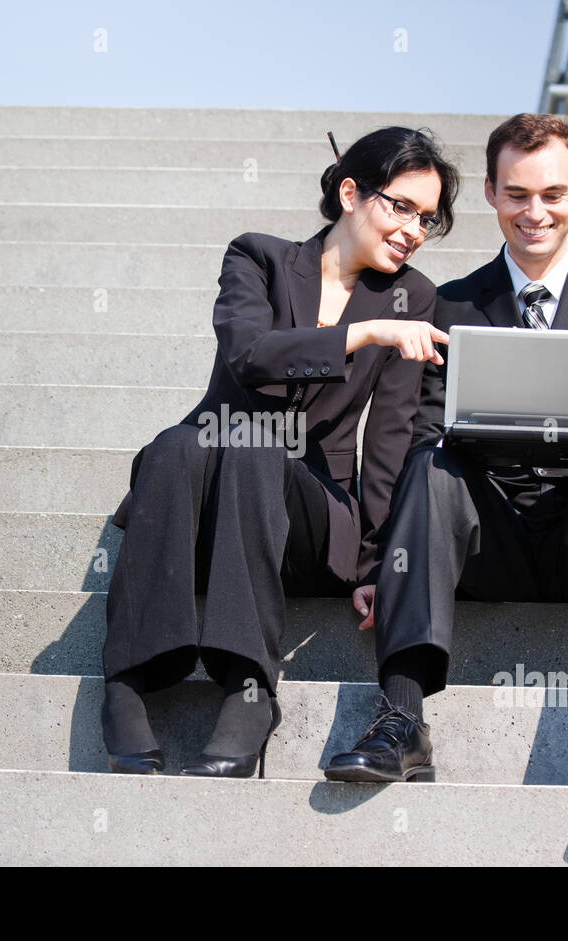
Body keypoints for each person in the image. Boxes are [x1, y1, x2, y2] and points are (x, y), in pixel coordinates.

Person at [325, 113, 568, 790]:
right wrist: (385, 558)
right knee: (434, 463)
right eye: (518, 194)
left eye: (552, 194)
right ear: (493, 196)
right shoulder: (451, 305)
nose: (535, 213)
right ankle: (402, 719)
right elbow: (417, 434)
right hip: (486, 543)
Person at [102, 127, 461, 778]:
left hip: (310, 511)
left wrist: (378, 564)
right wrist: (363, 333)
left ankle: (249, 690)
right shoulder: (258, 259)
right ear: (351, 192)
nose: (414, 229)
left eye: (427, 218)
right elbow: (248, 356)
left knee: (256, 451)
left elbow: (390, 440)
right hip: (207, 485)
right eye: (401, 206)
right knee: (180, 446)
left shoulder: (412, 299)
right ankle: (125, 684)